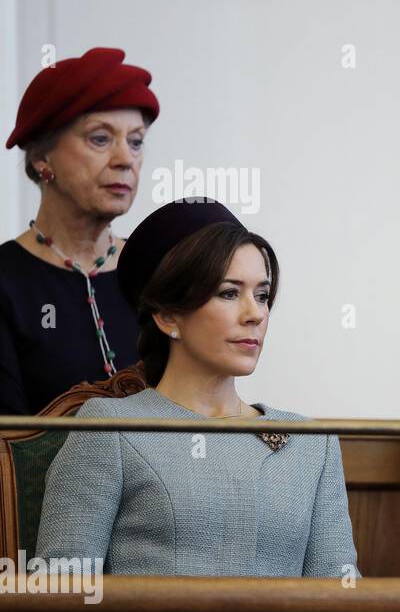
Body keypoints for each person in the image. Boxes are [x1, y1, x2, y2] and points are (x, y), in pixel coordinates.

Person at [35, 199, 358, 578]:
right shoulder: (109, 428)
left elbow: (341, 598)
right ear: (168, 315)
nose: (255, 314)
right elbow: (62, 596)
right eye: (228, 292)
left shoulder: (310, 443)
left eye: (262, 295)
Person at [1, 47, 159, 413]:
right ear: (43, 157)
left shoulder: (162, 272)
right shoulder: (6, 281)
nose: (125, 160)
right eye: (100, 139)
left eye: (135, 141)